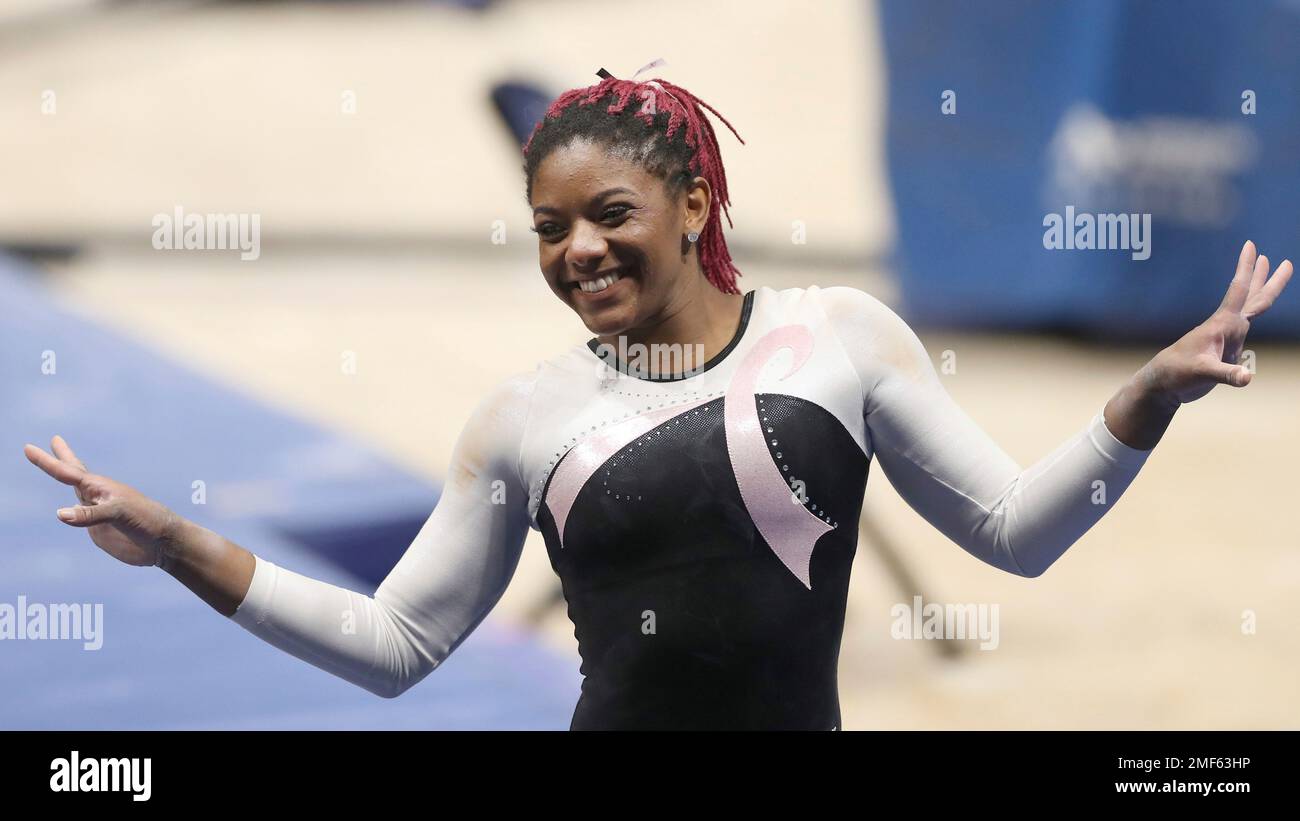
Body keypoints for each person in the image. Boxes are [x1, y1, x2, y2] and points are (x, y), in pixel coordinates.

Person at [23, 72, 1293, 730]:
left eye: (607, 215)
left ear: (694, 205)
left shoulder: (836, 339)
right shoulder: (521, 417)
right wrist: (180, 541)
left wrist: (1142, 399)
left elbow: (1017, 531)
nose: (575, 249)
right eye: (546, 227)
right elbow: (392, 648)